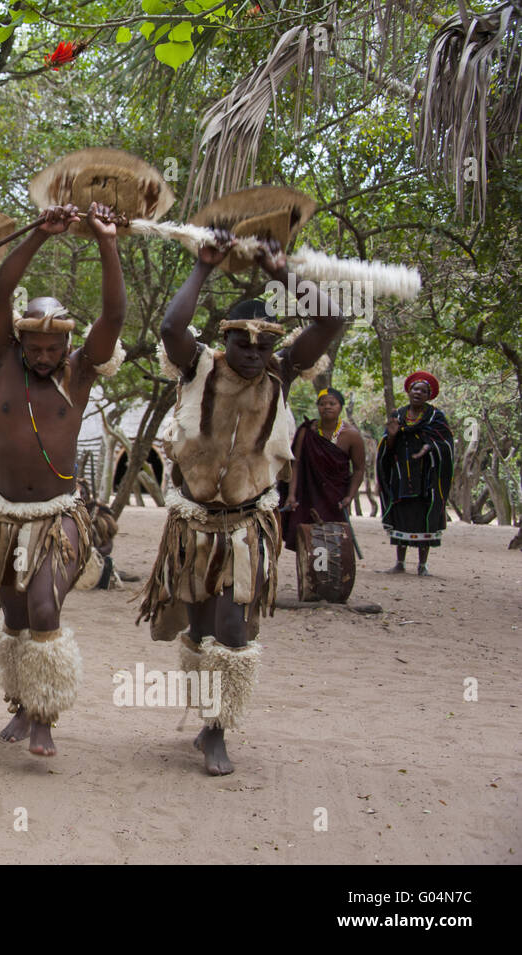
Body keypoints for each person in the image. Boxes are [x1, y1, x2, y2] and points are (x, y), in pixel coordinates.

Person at [138, 231, 344, 775]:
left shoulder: (281, 373)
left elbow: (331, 323)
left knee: (233, 630)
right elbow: (169, 328)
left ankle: (216, 731)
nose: (252, 353)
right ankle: (207, 717)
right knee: (203, 631)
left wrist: (279, 270)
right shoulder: (196, 366)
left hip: (246, 526)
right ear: (225, 339)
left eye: (262, 344)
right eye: (242, 343)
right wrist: (204, 265)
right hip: (193, 524)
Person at [0, 202, 126, 757]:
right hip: (3, 517)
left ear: (69, 346)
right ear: (19, 342)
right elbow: (0, 295)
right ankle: (23, 705)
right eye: (37, 348)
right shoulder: (0, 362)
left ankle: (45, 715)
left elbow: (114, 319)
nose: (45, 357)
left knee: (45, 607)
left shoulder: (80, 372)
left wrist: (106, 241)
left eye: (55, 348)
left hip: (59, 517)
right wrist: (40, 237)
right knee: (18, 617)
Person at [378, 371, 453, 575]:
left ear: (429, 395)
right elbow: (387, 446)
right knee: (401, 516)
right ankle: (400, 563)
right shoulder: (398, 415)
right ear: (409, 392)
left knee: (424, 519)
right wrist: (391, 436)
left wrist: (429, 447)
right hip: (401, 475)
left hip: (426, 479)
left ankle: (422, 565)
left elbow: (445, 443)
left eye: (423, 390)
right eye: (415, 389)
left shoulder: (435, 417)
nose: (418, 392)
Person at [282, 387, 365, 552]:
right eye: (322, 403)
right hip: (307, 494)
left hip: (335, 497)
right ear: (317, 407)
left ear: (340, 406)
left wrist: (349, 496)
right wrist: (291, 494)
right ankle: (308, 575)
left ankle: (330, 576)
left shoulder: (352, 435)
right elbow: (295, 464)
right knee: (306, 538)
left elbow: (359, 469)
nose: (327, 407)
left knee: (333, 539)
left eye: (332, 403)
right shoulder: (306, 431)